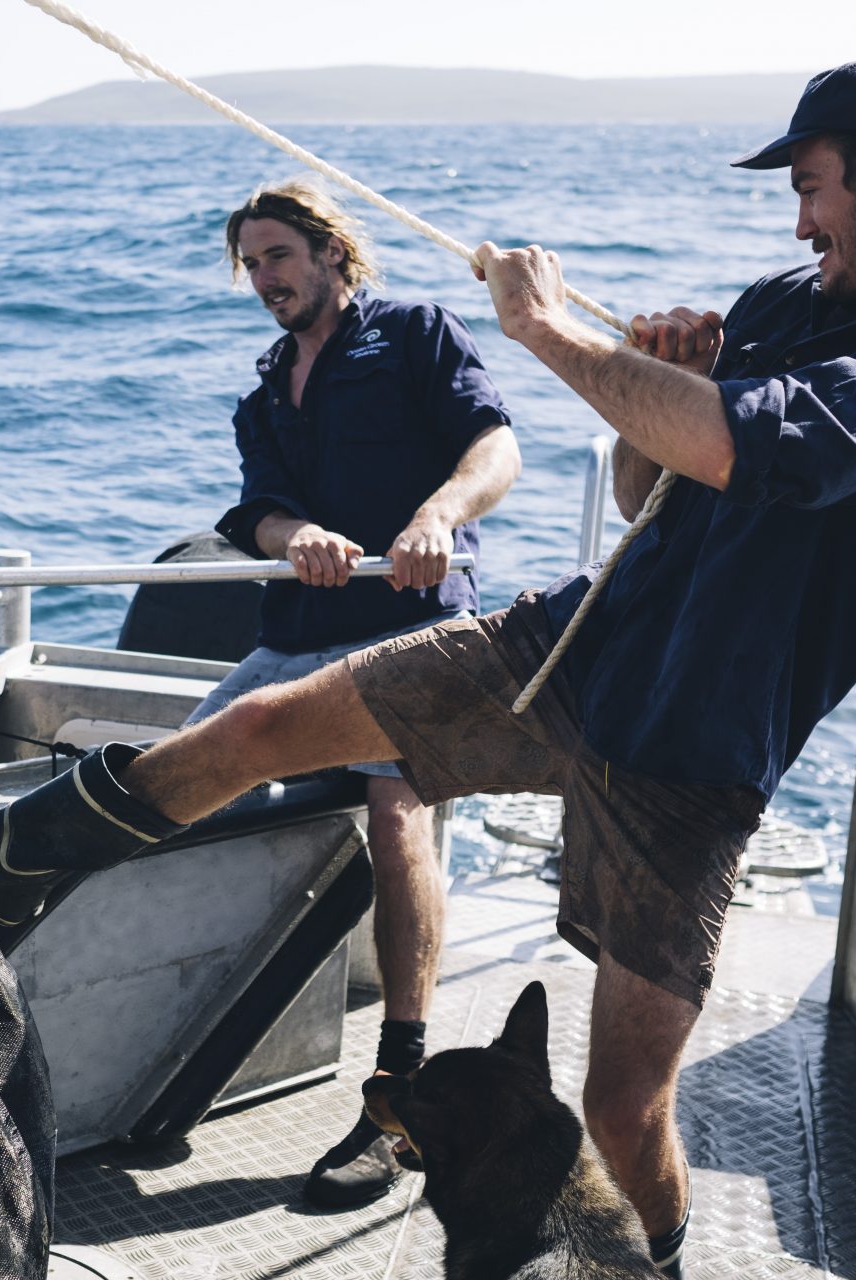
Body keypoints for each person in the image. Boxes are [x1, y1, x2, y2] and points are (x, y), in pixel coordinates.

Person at [0, 53, 856, 1277]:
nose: (799, 222)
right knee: (260, 724)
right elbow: (646, 489)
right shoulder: (788, 306)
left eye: (810, 186)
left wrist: (546, 330)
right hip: (573, 647)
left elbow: (741, 450)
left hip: (698, 748)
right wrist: (676, 383)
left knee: (620, 1109)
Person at [193, 181, 521, 1207]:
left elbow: (497, 448)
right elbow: (256, 514)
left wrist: (437, 517)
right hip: (296, 637)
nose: (264, 279)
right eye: (251, 263)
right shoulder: (263, 392)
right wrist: (298, 536)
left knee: (396, 810)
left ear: (333, 251)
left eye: (279, 256)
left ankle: (401, 1090)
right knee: (173, 780)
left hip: (411, 629)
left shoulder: (417, 334)